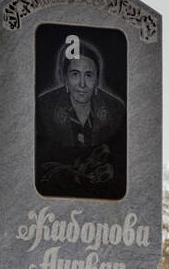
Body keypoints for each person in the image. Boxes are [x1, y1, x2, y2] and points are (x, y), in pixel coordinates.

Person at [35, 39, 126, 199]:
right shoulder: (44, 108)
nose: (82, 84)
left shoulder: (115, 111)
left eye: (89, 75)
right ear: (64, 78)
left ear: (97, 80)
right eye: (75, 74)